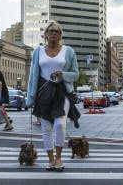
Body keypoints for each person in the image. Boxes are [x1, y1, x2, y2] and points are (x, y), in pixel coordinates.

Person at [26, 21, 79, 172]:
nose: (53, 33)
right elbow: (33, 76)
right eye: (50, 31)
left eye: (56, 31)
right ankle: (50, 159)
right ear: (45, 35)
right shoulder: (38, 52)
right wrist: (30, 97)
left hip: (62, 91)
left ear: (60, 34)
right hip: (43, 92)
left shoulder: (68, 51)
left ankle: (59, 157)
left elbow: (75, 75)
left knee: (59, 124)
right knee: (46, 127)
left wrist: (64, 74)